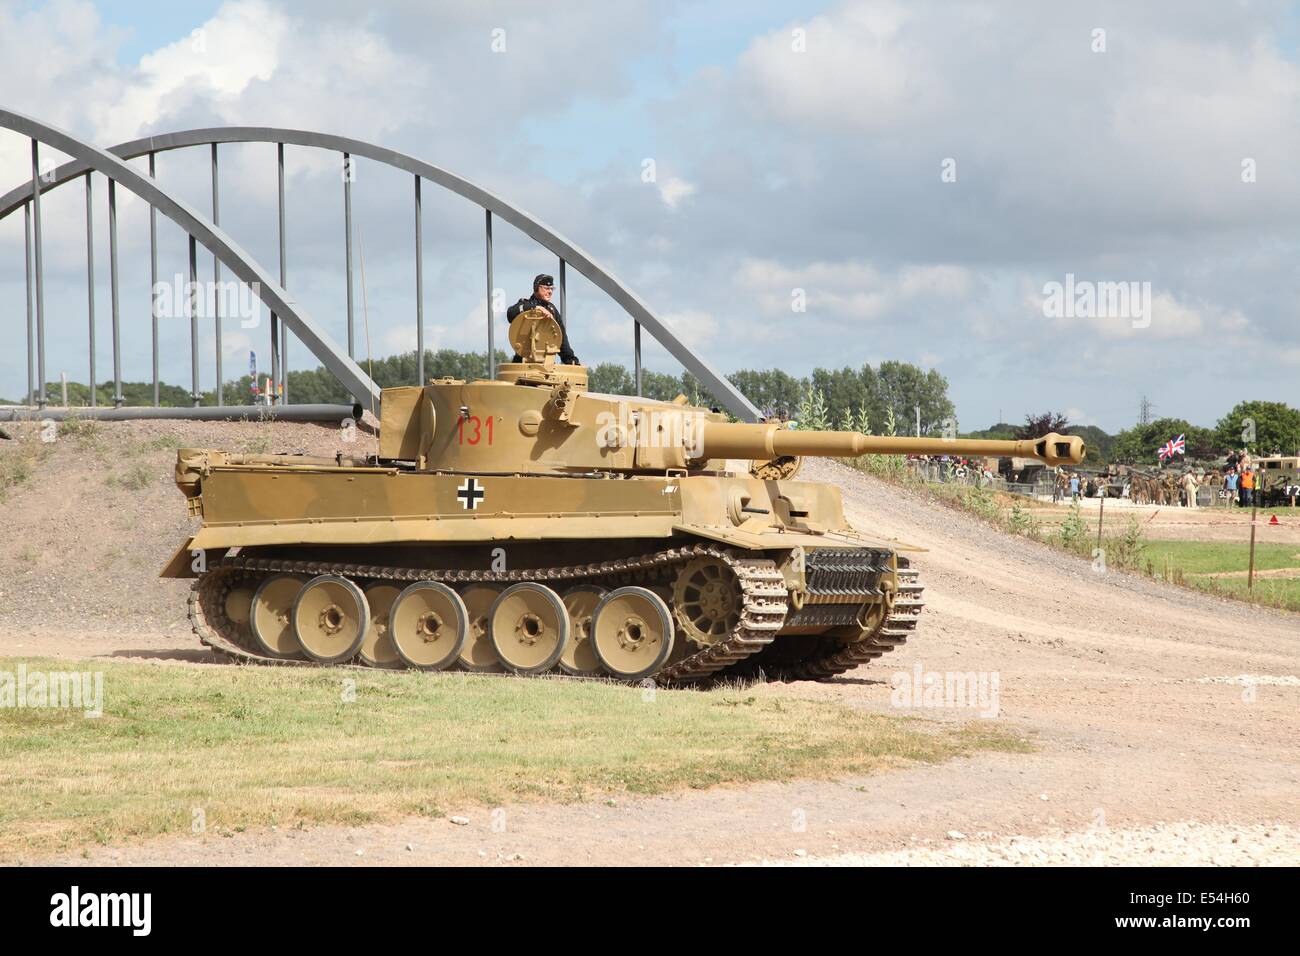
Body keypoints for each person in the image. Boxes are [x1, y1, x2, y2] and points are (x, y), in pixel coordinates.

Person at [507, 274, 580, 365]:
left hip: (546, 361)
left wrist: (571, 360)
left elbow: (561, 337)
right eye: (546, 288)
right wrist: (535, 307)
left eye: (551, 289)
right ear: (537, 288)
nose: (550, 292)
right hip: (522, 359)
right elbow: (510, 314)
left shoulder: (552, 310)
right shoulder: (526, 304)